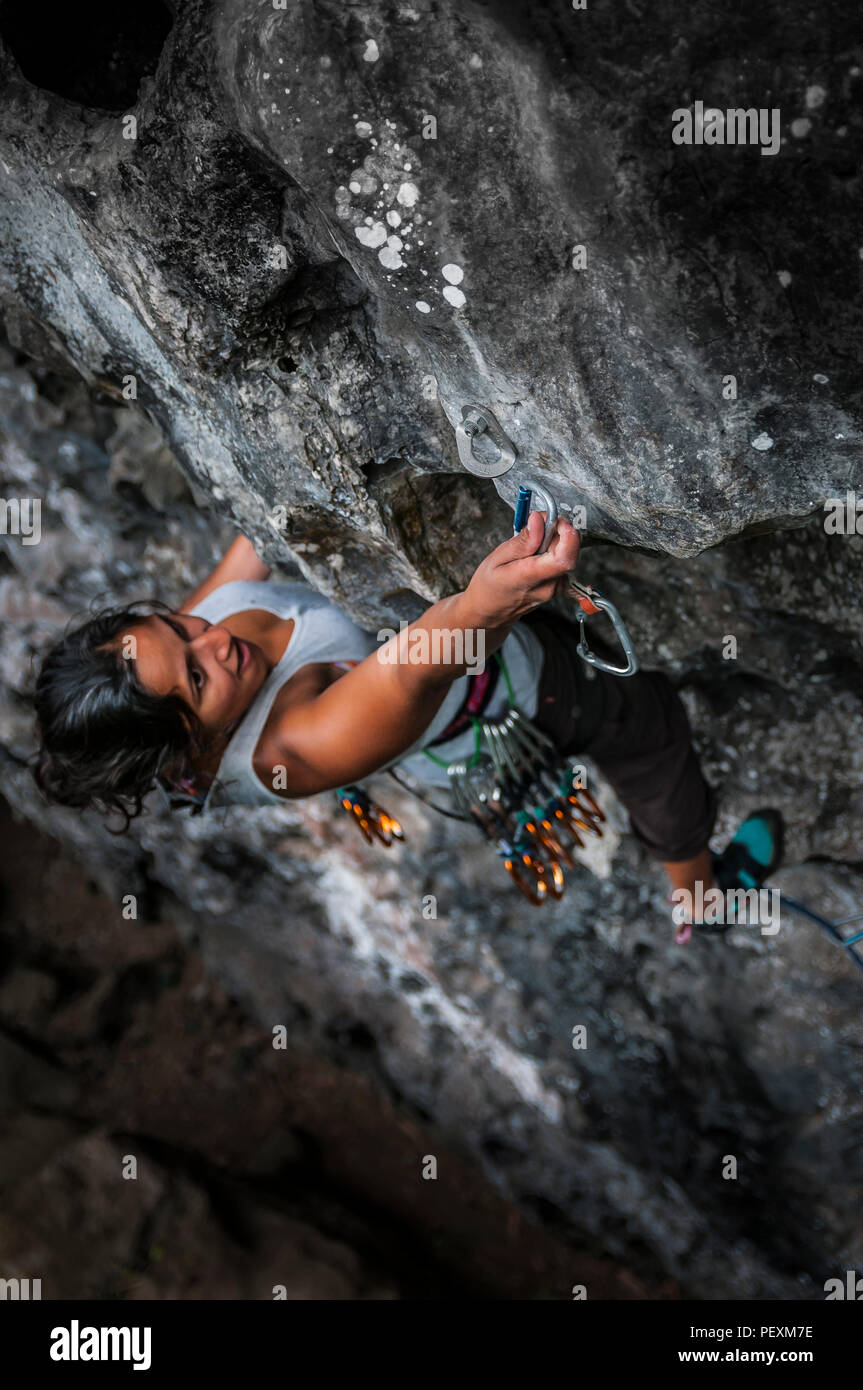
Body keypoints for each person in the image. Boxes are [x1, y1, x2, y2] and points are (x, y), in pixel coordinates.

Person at [31, 514, 781, 939]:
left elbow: (246, 532)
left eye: (176, 624)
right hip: (506, 700)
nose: (210, 639)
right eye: (198, 679)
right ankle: (701, 900)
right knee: (647, 731)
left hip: (475, 670)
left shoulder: (173, 660)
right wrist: (487, 602)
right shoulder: (295, 748)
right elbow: (420, 665)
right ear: (191, 743)